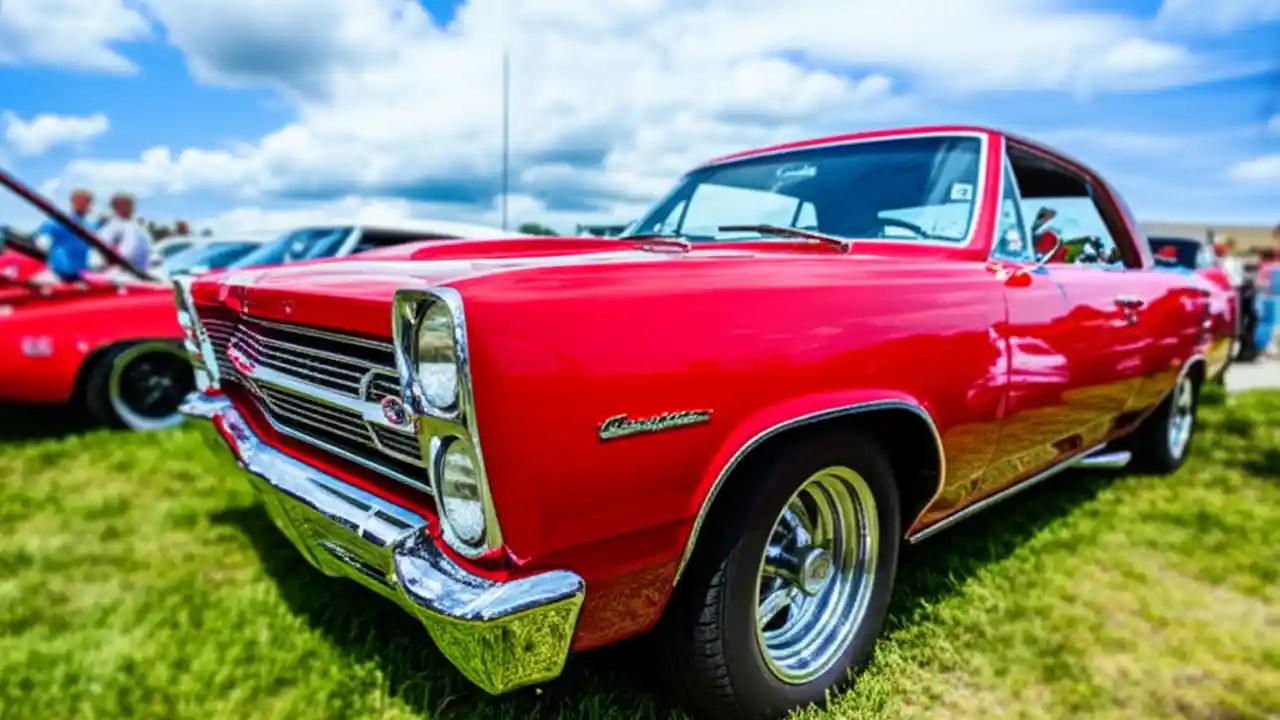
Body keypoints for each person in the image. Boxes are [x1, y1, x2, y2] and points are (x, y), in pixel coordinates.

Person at [31, 188, 96, 282]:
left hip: (82, 275)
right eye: (78, 200)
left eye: (86, 201)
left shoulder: (92, 227)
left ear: (90, 204)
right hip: (57, 275)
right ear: (72, 202)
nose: (82, 204)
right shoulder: (59, 221)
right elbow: (41, 239)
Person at [97, 192, 153, 272]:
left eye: (131, 204)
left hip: (143, 273)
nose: (130, 208)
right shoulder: (110, 228)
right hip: (122, 274)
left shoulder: (138, 227)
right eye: (125, 205)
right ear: (116, 207)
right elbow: (103, 253)